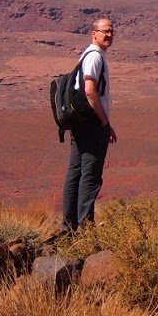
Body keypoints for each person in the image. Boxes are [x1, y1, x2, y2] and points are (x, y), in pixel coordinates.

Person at [62, 17, 117, 231]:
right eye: (105, 31)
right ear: (93, 33)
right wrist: (104, 121)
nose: (109, 35)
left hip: (83, 122)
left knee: (76, 172)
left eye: (112, 31)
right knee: (90, 175)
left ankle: (69, 225)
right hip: (92, 124)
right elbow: (89, 90)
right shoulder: (95, 57)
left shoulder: (89, 54)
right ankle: (84, 227)